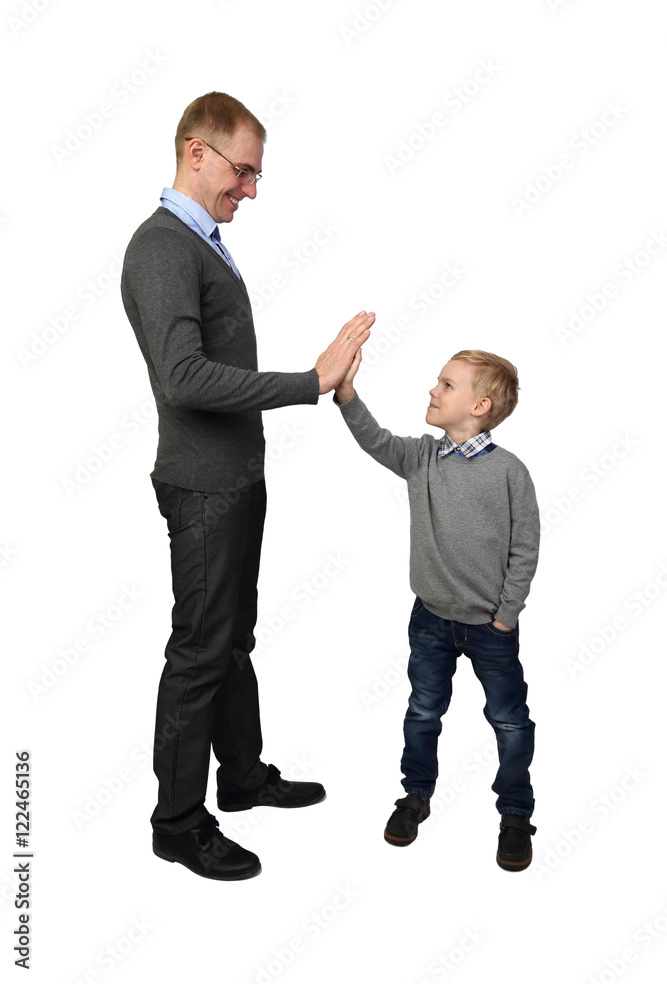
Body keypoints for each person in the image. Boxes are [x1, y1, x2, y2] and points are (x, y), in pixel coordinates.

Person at [120, 91, 375, 881]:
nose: (251, 191)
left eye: (257, 176)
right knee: (200, 652)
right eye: (244, 171)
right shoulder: (163, 247)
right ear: (196, 152)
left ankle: (240, 777)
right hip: (202, 489)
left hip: (234, 480)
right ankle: (177, 822)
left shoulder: (202, 240)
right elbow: (185, 377)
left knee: (231, 642)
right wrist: (311, 380)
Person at [333, 348, 540, 871]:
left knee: (509, 721)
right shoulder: (422, 458)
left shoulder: (510, 473)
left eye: (447, 385)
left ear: (480, 405)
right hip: (430, 621)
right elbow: (374, 440)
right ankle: (416, 796)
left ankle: (515, 813)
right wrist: (347, 395)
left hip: (492, 628)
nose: (433, 391)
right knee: (423, 712)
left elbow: (525, 549)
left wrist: (506, 615)